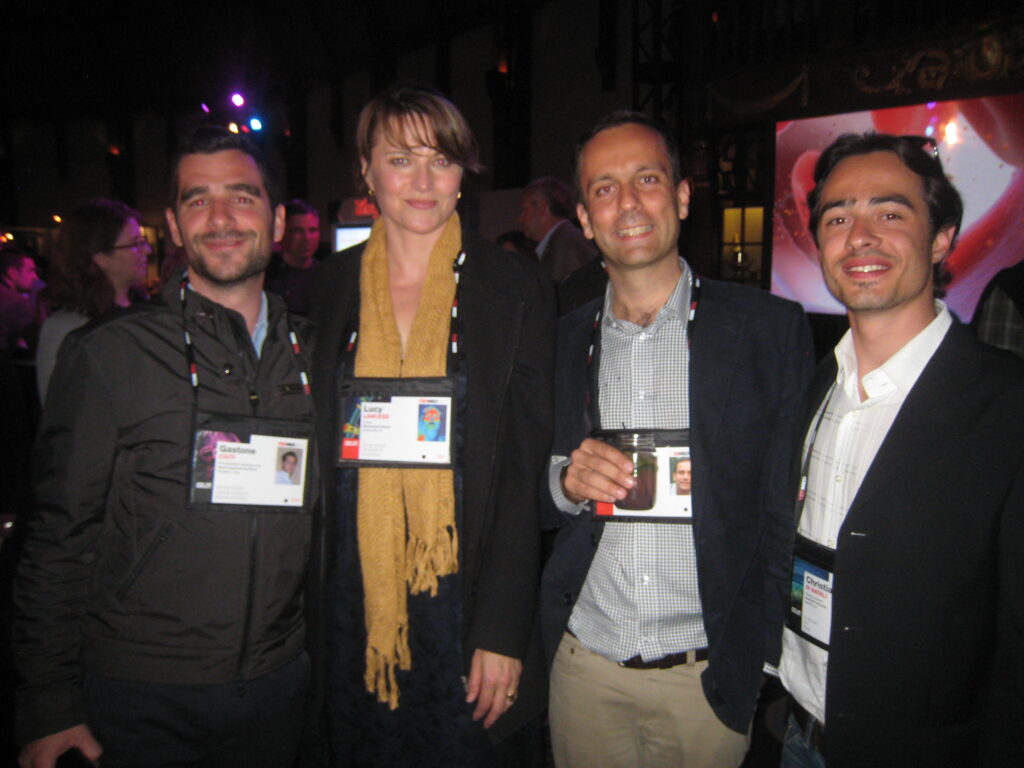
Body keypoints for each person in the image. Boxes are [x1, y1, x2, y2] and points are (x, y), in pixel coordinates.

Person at [13, 125, 318, 768]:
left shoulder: (316, 353)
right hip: (140, 694)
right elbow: (57, 536)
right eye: (196, 200)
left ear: (278, 217)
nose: (220, 218)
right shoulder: (109, 354)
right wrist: (48, 702)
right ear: (175, 228)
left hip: (279, 685)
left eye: (241, 196)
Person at [539, 110, 813, 768]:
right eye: (604, 188)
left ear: (683, 197)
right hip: (586, 668)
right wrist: (565, 483)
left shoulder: (768, 330)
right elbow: (536, 487)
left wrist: (764, 656)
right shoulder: (562, 338)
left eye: (647, 179)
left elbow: (786, 509)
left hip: (707, 676)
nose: (627, 203)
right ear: (584, 217)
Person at [310, 82, 555, 766]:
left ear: (461, 174)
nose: (421, 180)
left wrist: (503, 628)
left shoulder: (513, 287)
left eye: (440, 159)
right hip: (350, 585)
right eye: (399, 159)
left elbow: (521, 466)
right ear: (365, 171)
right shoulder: (327, 287)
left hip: (462, 587)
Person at [777, 133, 1024, 768]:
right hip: (794, 737)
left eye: (890, 213)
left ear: (942, 237)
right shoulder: (809, 389)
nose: (860, 236)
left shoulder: (1007, 408)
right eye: (838, 217)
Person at [34, 199, 152, 401]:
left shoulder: (147, 311)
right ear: (101, 257)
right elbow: (60, 413)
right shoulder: (67, 329)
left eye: (143, 242)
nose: (147, 251)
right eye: (135, 244)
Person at [519, 176, 598, 284]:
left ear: (542, 208)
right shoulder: (564, 240)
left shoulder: (566, 245)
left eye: (524, 209)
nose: (520, 219)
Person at [265, 199, 321, 315]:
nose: (307, 238)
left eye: (312, 230)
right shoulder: (267, 276)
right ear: (282, 232)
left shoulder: (326, 273)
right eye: (298, 231)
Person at [0, 245, 40, 357]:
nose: (35, 277)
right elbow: (36, 340)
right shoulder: (16, 301)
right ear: (12, 273)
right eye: (31, 271)